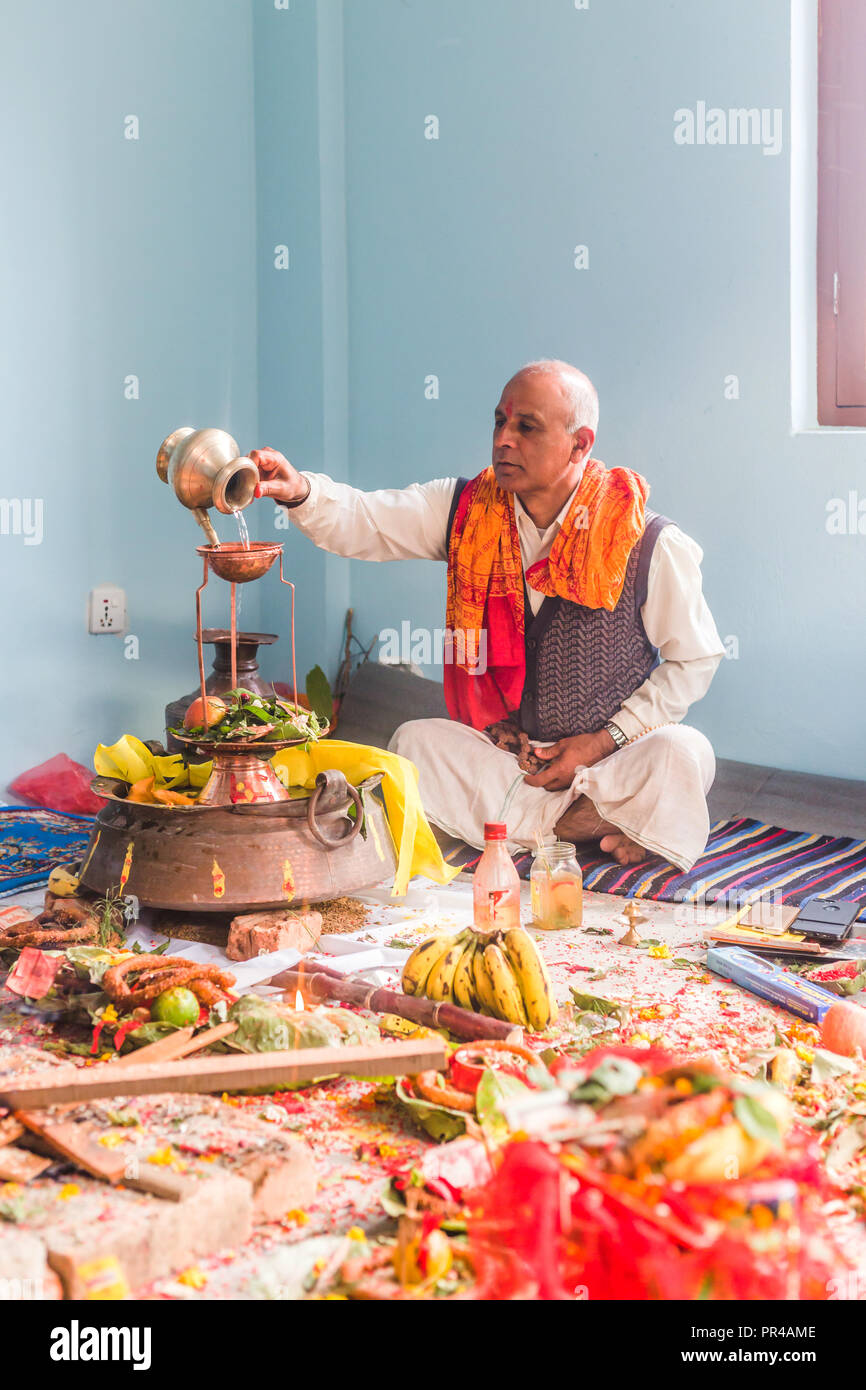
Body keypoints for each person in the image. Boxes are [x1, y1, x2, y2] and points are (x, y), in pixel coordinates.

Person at [250, 360, 724, 869]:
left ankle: (540, 825)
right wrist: (299, 490)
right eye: (500, 421)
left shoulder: (644, 539)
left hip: (609, 760)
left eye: (526, 427)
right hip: (513, 762)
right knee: (414, 743)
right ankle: (592, 825)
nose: (503, 440)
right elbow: (367, 520)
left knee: (684, 752)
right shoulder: (466, 510)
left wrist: (599, 744)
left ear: (580, 444)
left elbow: (693, 660)